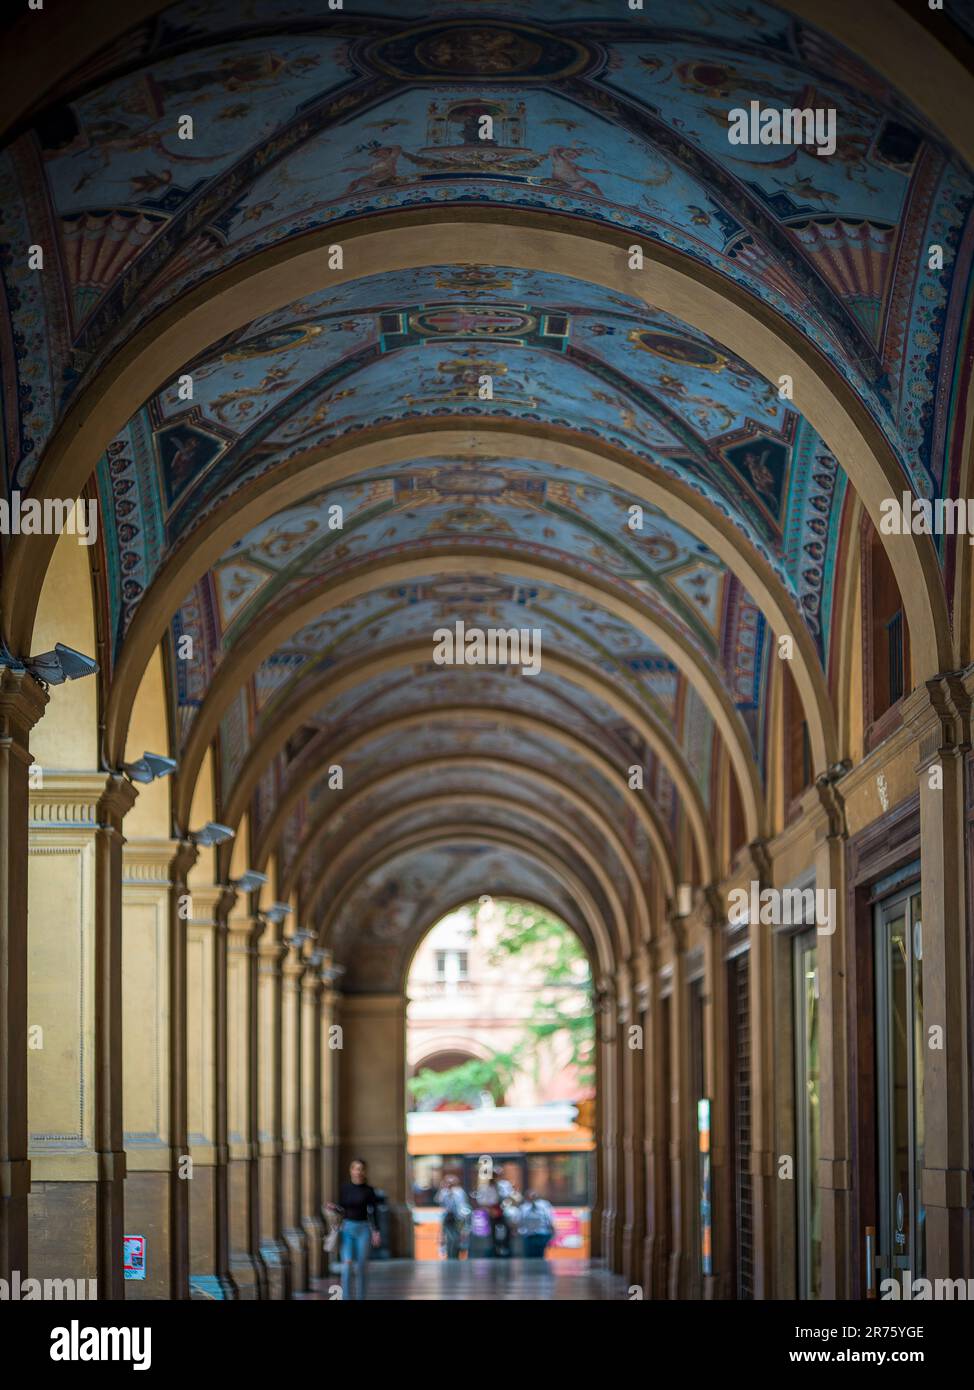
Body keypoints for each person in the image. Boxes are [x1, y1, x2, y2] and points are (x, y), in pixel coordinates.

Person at [329, 1157, 381, 1299]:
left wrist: (376, 1231)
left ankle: (361, 1297)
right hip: (347, 1229)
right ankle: (346, 1297)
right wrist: (334, 1208)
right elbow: (341, 1209)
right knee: (347, 1266)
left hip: (363, 1229)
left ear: (364, 1171)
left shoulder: (369, 1190)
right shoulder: (344, 1188)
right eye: (355, 1168)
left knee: (362, 1267)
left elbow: (374, 1211)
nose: (358, 1172)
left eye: (361, 1169)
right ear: (351, 1170)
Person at [434, 1174, 471, 1259]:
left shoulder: (459, 1192)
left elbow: (462, 1204)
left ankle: (456, 1255)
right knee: (450, 1237)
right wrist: (442, 1188)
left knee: (458, 1237)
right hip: (448, 1217)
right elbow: (437, 1200)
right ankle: (450, 1255)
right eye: (448, 1182)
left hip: (458, 1217)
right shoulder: (444, 1192)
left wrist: (464, 1218)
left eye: (451, 1183)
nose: (449, 1185)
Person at [518, 1190, 556, 1259]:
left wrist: (553, 1232)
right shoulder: (524, 1207)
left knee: (540, 1255)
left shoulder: (544, 1205)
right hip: (529, 1235)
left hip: (542, 1234)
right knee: (529, 1256)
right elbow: (520, 1221)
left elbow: (550, 1218)